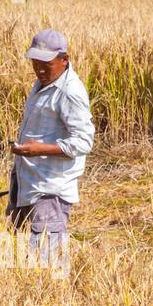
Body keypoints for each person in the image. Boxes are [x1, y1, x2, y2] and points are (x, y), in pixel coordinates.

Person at [8, 29, 95, 259]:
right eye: (35, 63)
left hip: (50, 188)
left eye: (46, 64)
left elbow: (83, 141)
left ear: (64, 59)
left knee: (47, 260)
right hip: (29, 182)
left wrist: (38, 150)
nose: (40, 69)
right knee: (20, 254)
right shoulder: (42, 83)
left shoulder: (70, 92)